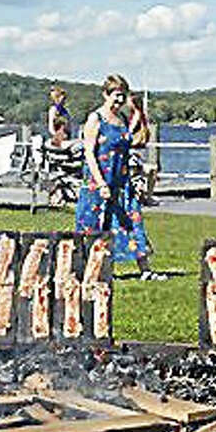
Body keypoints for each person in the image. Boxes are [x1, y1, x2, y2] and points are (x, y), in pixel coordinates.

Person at [75, 74, 164, 280]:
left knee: (132, 221)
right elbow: (89, 153)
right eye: (116, 96)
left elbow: (131, 144)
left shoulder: (122, 119)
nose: (119, 100)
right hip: (99, 181)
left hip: (121, 180)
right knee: (96, 225)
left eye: (123, 96)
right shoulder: (95, 119)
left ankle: (146, 269)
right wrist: (100, 183)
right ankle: (95, 270)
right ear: (105, 94)